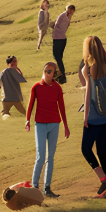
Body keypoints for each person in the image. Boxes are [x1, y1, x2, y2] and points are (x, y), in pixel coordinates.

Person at [78, 35, 106, 198]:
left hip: (93, 115)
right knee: (102, 149)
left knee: (86, 149)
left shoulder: (90, 68)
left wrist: (86, 116)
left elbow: (88, 94)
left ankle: (104, 180)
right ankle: (105, 193)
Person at [25, 61, 70, 197]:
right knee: (40, 156)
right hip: (40, 124)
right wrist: (27, 120)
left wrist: (66, 126)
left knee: (50, 157)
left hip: (54, 124)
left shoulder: (57, 88)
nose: (47, 73)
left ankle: (47, 188)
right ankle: (34, 187)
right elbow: (31, 104)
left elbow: (61, 107)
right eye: (45, 71)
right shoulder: (36, 87)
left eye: (50, 71)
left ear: (54, 74)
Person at [51, 4, 75, 84]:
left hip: (58, 39)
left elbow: (56, 24)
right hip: (63, 39)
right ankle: (60, 75)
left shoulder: (63, 15)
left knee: (56, 57)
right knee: (59, 58)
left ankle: (62, 75)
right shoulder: (68, 18)